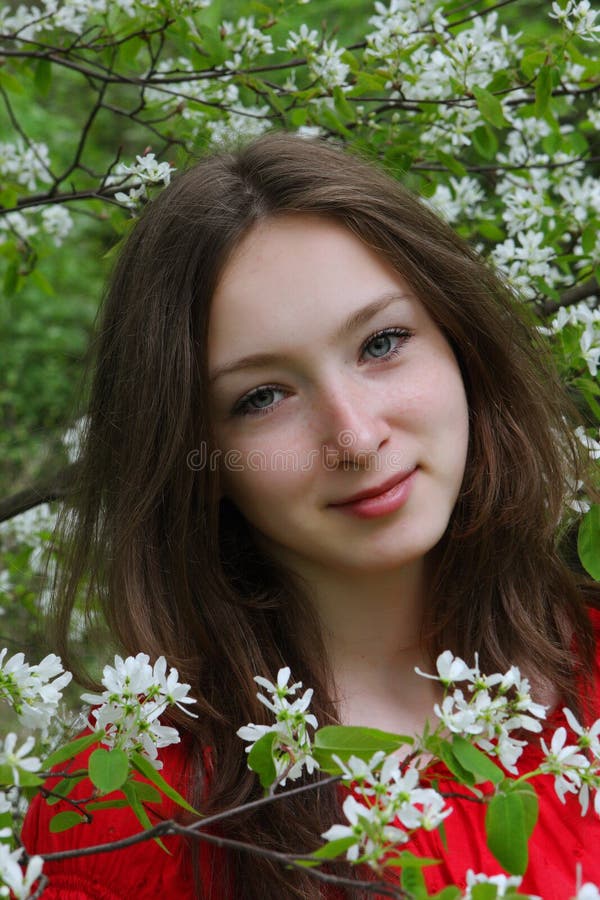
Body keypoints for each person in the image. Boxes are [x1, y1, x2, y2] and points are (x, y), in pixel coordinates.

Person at [22, 132, 600, 899]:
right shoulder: (130, 809)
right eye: (261, 398)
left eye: (382, 342)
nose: (356, 438)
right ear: (198, 460)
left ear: (460, 343)